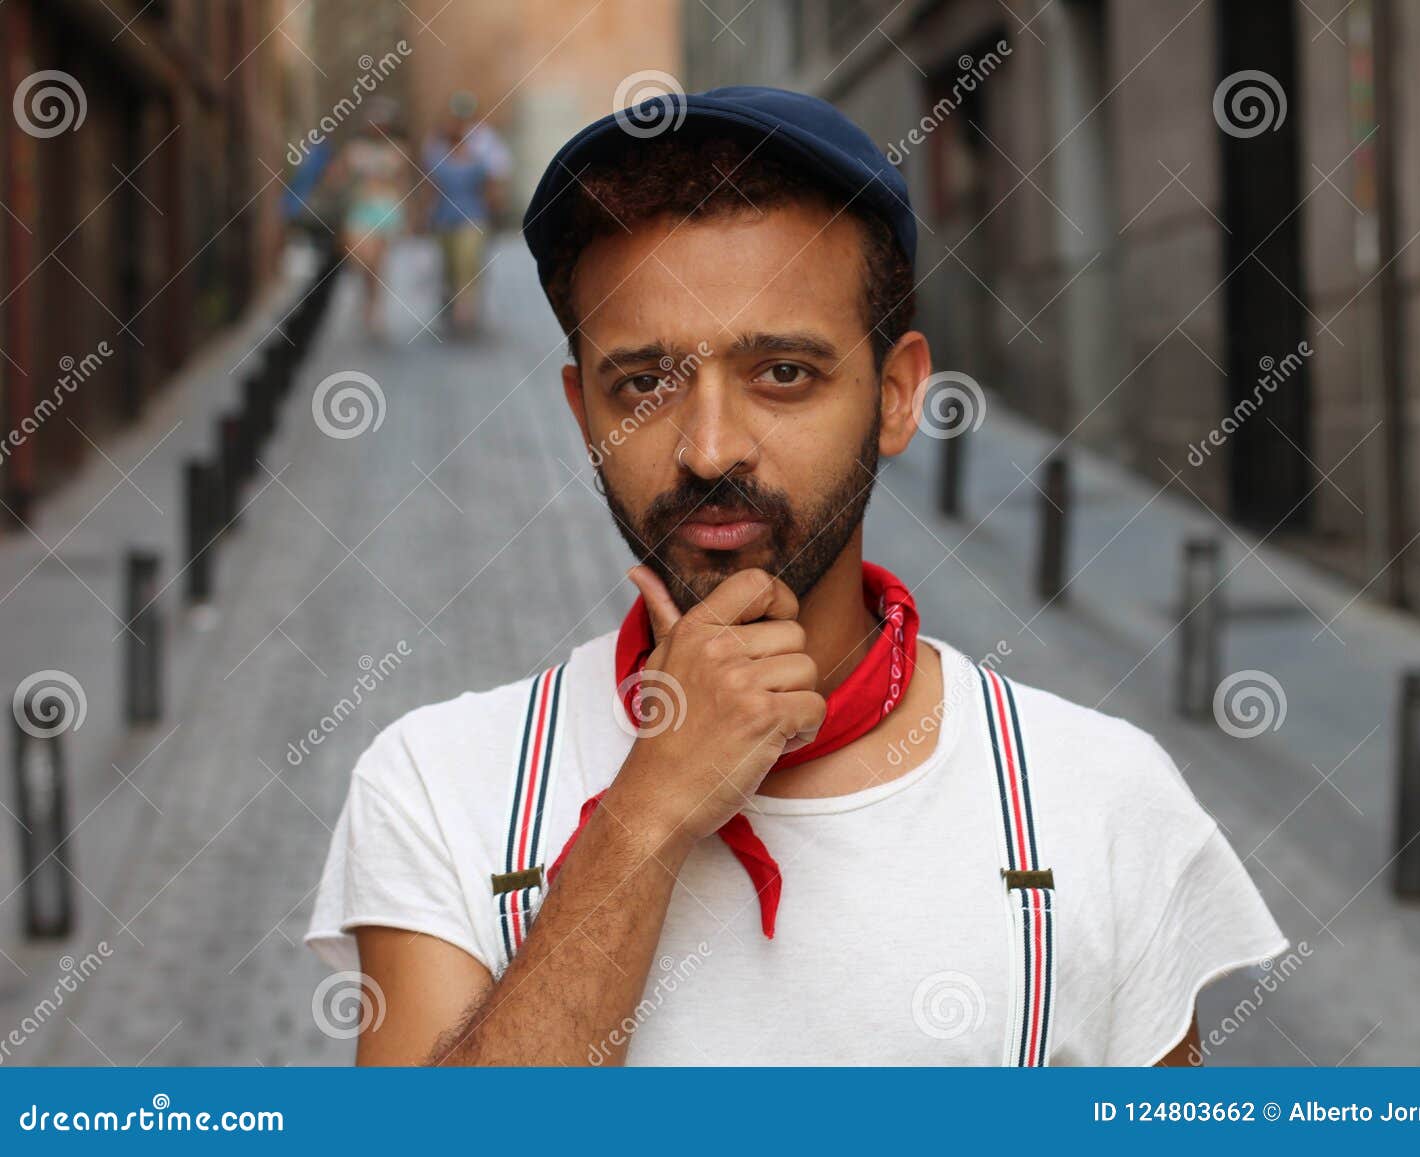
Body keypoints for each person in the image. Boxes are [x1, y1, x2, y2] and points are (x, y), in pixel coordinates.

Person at [305, 87, 1288, 1066]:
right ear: (583, 412)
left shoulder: (1096, 798)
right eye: (643, 384)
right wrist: (647, 813)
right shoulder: (441, 784)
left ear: (895, 396)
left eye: (783, 373)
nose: (709, 448)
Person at [332, 103, 409, 338]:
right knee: (360, 258)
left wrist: (407, 213)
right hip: (360, 208)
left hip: (385, 208)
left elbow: (402, 182)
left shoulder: (397, 150)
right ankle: (366, 295)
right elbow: (337, 175)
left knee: (376, 263)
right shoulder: (355, 150)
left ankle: (373, 306)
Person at [423, 113, 493, 336]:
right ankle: (451, 305)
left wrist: (491, 212)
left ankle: (466, 311)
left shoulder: (476, 160)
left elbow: (488, 188)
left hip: (472, 217)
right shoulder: (437, 159)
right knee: (450, 266)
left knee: (468, 261)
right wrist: (424, 216)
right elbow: (431, 189)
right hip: (445, 219)